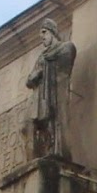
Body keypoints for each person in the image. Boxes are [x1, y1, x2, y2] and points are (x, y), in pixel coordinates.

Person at [26, 18, 76, 158]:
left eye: (44, 32)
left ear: (52, 31)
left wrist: (45, 66)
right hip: (41, 97)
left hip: (54, 94)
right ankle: (37, 155)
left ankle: (56, 150)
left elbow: (65, 68)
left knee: (55, 122)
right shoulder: (42, 56)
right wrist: (35, 75)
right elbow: (29, 80)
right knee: (28, 125)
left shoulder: (66, 47)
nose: (42, 37)